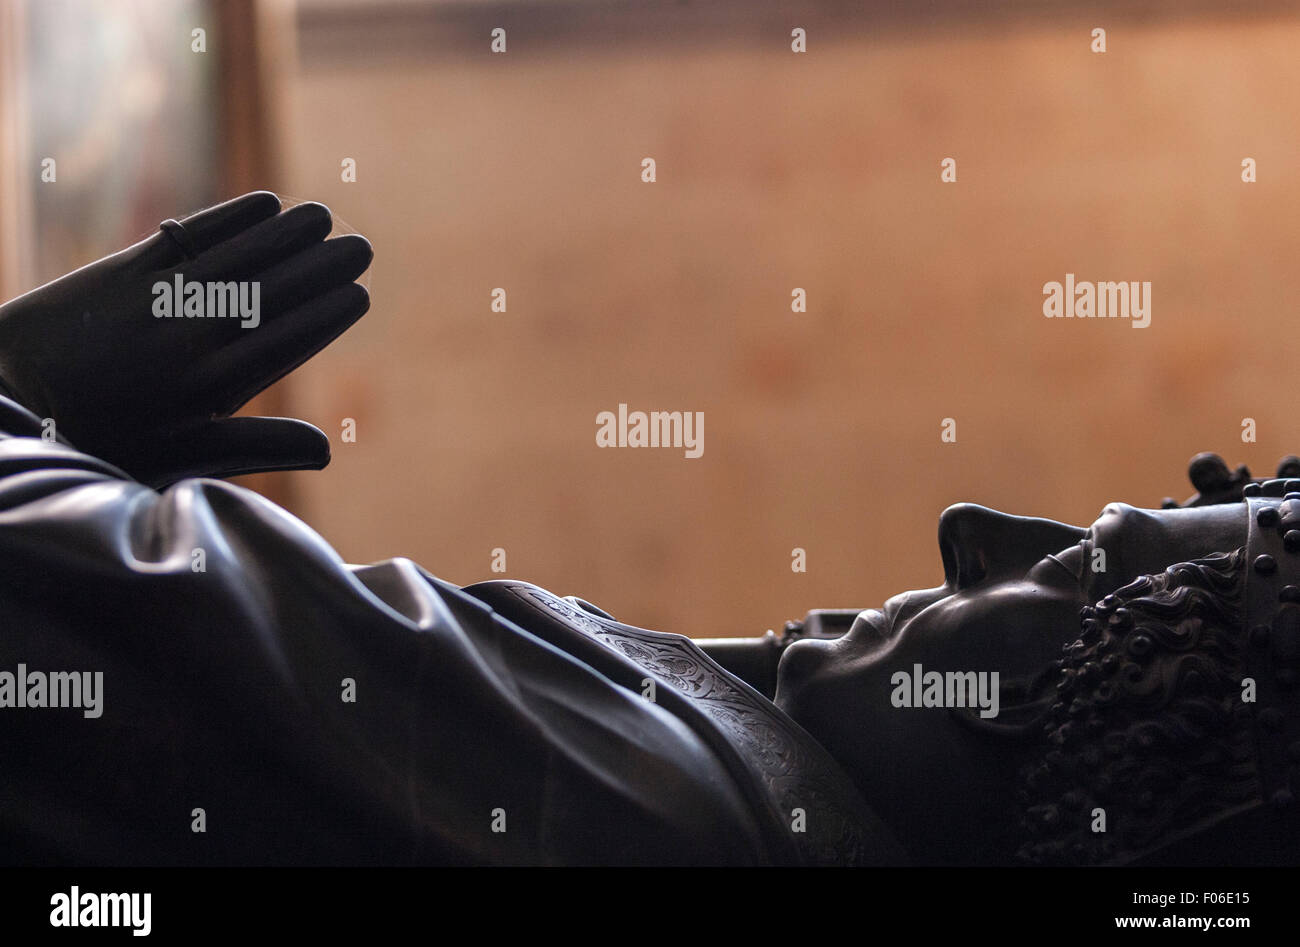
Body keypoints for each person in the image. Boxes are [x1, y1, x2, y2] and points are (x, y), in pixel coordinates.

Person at [0, 193, 1293, 865]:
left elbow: (50, 603)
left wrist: (26, 390)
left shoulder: (663, 803)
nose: (972, 532)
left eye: (1078, 561)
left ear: (1060, 714)